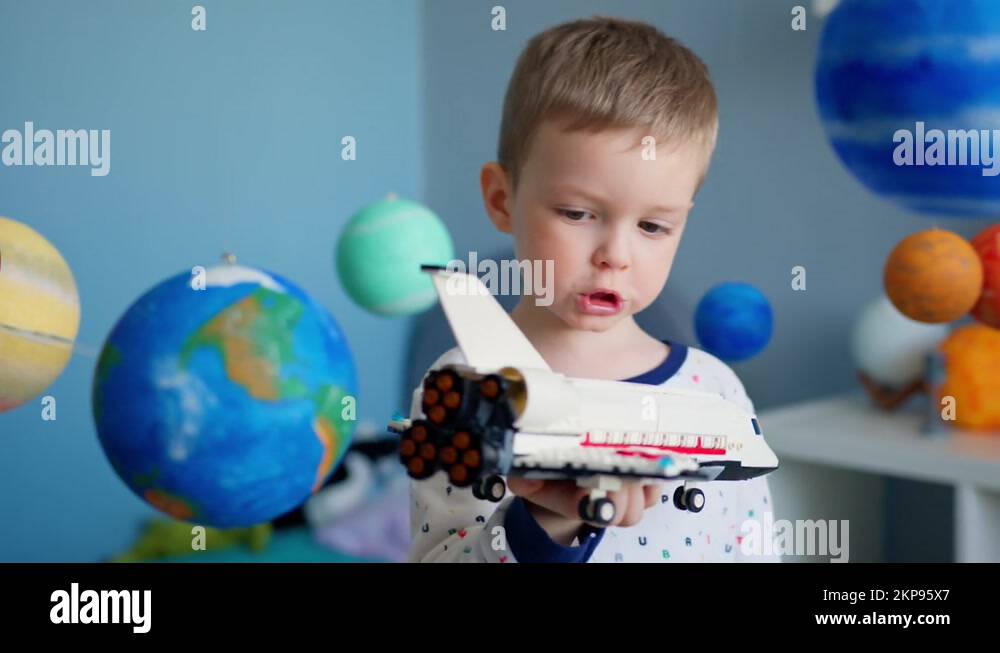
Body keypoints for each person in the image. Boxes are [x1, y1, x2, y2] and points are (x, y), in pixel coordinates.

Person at [407, 16, 779, 563]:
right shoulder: (464, 385)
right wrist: (544, 523)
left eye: (653, 226)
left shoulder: (715, 389)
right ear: (501, 200)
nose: (616, 255)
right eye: (578, 213)